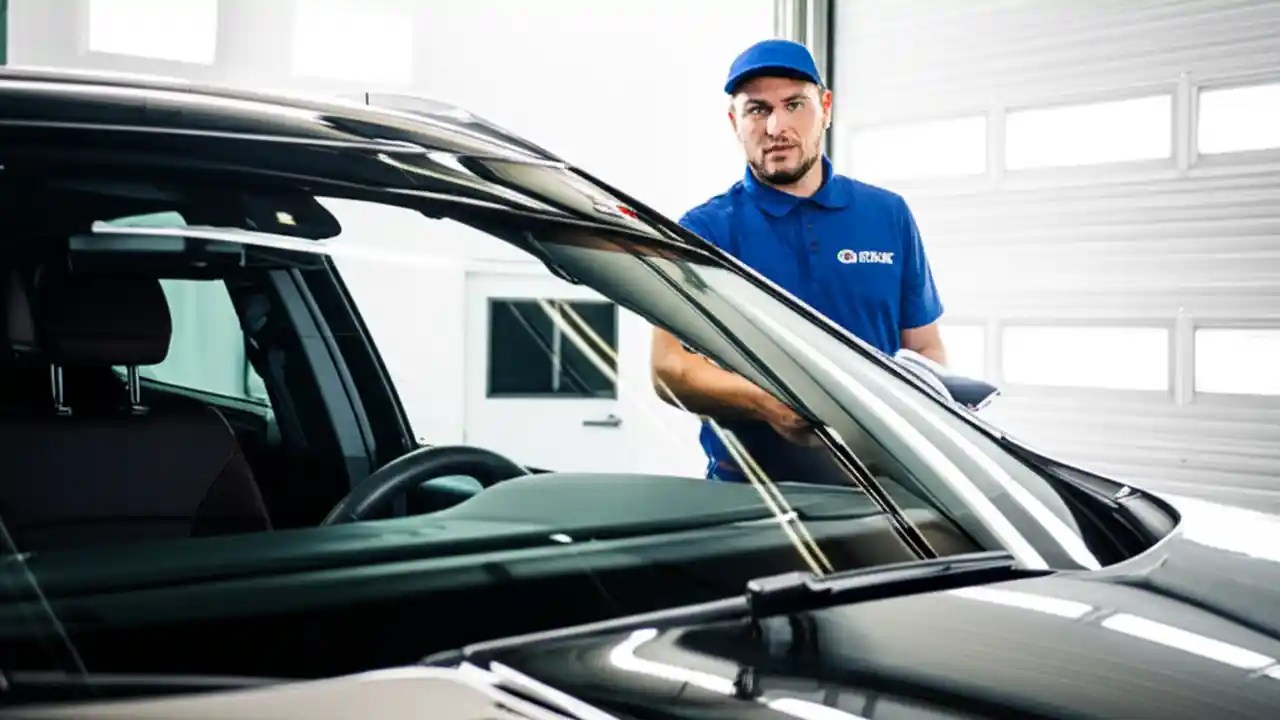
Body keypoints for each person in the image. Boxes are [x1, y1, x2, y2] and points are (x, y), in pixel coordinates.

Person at [651, 38, 947, 482]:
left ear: (825, 107)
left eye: (794, 104)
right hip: (751, 494)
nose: (776, 127)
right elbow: (668, 368)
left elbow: (923, 347)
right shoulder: (703, 231)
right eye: (757, 110)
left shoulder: (887, 215)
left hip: (884, 488)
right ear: (735, 121)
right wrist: (764, 402)